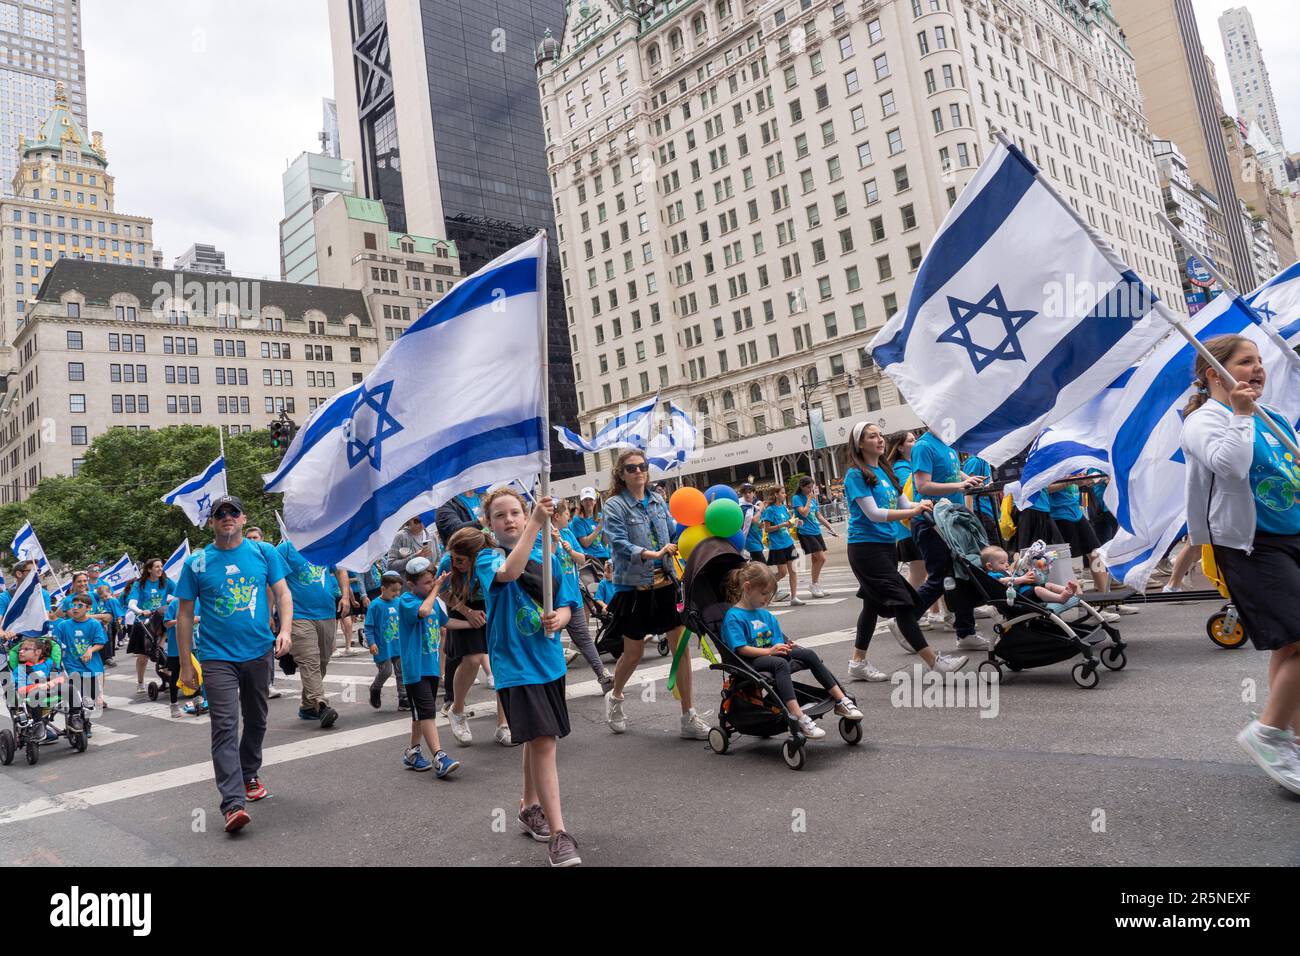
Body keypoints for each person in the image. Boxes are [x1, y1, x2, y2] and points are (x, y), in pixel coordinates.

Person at [1180, 334, 1300, 793]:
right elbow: (1229, 466)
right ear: (1215, 373)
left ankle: (1289, 739)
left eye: (1260, 362)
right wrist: (1241, 414)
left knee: (1289, 647)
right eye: (1246, 362)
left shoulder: (1277, 420)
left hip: (1292, 537)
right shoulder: (1202, 420)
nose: (1259, 369)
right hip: (1251, 547)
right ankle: (1267, 734)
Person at [475, 489, 583, 867]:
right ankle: (559, 834)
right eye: (500, 515)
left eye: (516, 512)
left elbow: (570, 603)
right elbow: (509, 573)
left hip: (549, 661)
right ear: (489, 524)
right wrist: (537, 523)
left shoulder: (550, 556)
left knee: (538, 739)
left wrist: (561, 619)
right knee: (544, 741)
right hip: (515, 665)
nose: (509, 519)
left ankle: (528, 806)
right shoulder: (489, 557)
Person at [176, 495, 293, 835]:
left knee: (257, 719)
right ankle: (232, 804)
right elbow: (184, 615)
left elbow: (283, 593)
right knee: (225, 726)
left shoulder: (264, 552)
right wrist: (186, 664)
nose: (227, 517)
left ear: (243, 519)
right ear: (211, 522)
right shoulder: (196, 563)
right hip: (216, 658)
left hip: (258, 651)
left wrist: (284, 629)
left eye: (233, 512)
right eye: (219, 513)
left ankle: (249, 771)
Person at [843, 422, 969, 678]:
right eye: (872, 436)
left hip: (886, 547)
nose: (879, 440)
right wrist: (912, 511)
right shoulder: (856, 474)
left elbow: (904, 502)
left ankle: (857, 662)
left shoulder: (885, 472)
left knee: (871, 605)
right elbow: (874, 514)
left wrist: (921, 504)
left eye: (880, 435)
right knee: (902, 603)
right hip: (865, 549)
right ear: (859, 444)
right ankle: (935, 663)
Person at [601, 449, 711, 740]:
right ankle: (615, 696)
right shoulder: (614, 505)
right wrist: (653, 553)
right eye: (632, 468)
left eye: (643, 466)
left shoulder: (658, 500)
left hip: (667, 585)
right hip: (636, 588)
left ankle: (689, 715)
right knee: (633, 654)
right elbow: (620, 544)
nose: (639, 471)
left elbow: (674, 535)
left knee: (681, 649)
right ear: (621, 474)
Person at [721, 562, 863, 739]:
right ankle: (798, 716)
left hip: (771, 652)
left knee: (808, 654)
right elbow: (741, 649)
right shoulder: (734, 617)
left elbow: (777, 638)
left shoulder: (765, 614)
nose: (767, 599)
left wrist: (785, 646)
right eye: (764, 594)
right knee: (780, 664)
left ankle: (841, 700)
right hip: (752, 659)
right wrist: (770, 652)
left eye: (770, 595)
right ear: (748, 587)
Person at [909, 429, 990, 652]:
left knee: (962, 574)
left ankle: (966, 633)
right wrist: (959, 486)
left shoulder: (948, 445)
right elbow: (922, 486)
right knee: (941, 577)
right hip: (931, 519)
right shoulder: (924, 446)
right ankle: (905, 618)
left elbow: (953, 473)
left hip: (951, 519)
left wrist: (969, 480)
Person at [440, 527, 514, 747]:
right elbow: (442, 590)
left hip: (489, 604)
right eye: (453, 558)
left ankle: (504, 725)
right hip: (460, 604)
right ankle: (457, 710)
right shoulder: (447, 562)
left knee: (501, 660)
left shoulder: (491, 559)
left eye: (460, 560)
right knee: (472, 659)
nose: (454, 563)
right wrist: (466, 612)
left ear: (476, 557)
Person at [395, 558, 461, 778]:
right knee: (426, 712)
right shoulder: (407, 600)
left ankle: (412, 752)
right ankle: (439, 757)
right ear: (411, 585)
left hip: (431, 667)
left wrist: (473, 623)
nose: (431, 585)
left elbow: (446, 622)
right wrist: (438, 588)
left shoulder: (431, 601)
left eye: (432, 581)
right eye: (426, 583)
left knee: (419, 714)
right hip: (415, 669)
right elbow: (423, 611)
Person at [276, 539, 348, 729]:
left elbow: (340, 569)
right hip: (298, 615)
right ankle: (321, 704)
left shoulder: (324, 541)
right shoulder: (285, 549)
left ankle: (308, 706)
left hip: (326, 612)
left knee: (323, 659)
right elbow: (273, 582)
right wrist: (269, 613)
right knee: (310, 660)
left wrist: (346, 596)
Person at [552, 498, 615, 691]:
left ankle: (603, 677)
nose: (568, 517)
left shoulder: (568, 533)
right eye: (565, 514)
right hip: (553, 600)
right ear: (556, 516)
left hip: (573, 597)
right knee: (550, 643)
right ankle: (553, 687)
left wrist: (571, 551)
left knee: (585, 640)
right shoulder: (541, 536)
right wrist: (554, 543)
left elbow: (581, 560)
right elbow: (543, 563)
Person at [51, 594, 106, 736]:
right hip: (72, 666)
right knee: (78, 695)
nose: (75, 608)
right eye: (73, 605)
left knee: (90, 697)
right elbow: (54, 644)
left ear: (88, 608)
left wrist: (90, 650)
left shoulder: (94, 624)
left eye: (79, 606)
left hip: (92, 667)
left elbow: (100, 642)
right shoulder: (63, 625)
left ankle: (86, 720)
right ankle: (79, 722)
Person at [126, 559, 175, 696]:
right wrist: (140, 611)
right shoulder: (139, 584)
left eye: (161, 566)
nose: (160, 569)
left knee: (165, 651)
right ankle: (140, 682)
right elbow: (131, 603)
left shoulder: (166, 582)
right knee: (143, 656)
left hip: (162, 620)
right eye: (157, 567)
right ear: (149, 569)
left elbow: (180, 593)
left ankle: (168, 677)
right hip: (145, 622)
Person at [243, 527, 282, 700]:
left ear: (262, 538)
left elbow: (273, 588)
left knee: (266, 646)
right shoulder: (241, 557)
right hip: (244, 612)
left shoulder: (268, 556)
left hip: (264, 611)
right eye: (249, 537)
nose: (252, 540)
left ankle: (268, 684)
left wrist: (269, 614)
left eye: (255, 537)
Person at [365, 571, 409, 711]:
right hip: (382, 646)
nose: (397, 593)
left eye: (399, 590)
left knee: (401, 670)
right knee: (385, 671)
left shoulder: (399, 602)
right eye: (393, 590)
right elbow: (369, 627)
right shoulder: (375, 605)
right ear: (383, 588)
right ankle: (375, 689)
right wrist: (371, 643)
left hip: (398, 644)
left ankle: (403, 698)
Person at [981, 546, 1081, 605]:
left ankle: (1067, 591)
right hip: (1020, 597)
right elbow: (1004, 581)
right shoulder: (992, 575)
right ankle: (1061, 598)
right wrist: (1022, 579)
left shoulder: (1005, 571)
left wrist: (1026, 576)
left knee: (1048, 585)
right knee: (1038, 589)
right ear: (989, 566)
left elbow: (1014, 578)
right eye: (1002, 562)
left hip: (1026, 590)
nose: (1007, 564)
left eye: (1007, 561)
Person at [791, 476, 837, 598]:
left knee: (816, 560)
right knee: (822, 558)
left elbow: (818, 515)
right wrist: (809, 499)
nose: (810, 490)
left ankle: (815, 584)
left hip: (816, 531)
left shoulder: (812, 499)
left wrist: (830, 528)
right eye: (808, 487)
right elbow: (804, 513)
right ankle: (813, 585)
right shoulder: (797, 498)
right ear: (801, 487)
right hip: (805, 532)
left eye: (812, 487)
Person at [762, 485, 805, 606]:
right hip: (777, 546)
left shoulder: (784, 508)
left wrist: (796, 522)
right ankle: (765, 589)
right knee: (782, 573)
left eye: (784, 493)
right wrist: (782, 525)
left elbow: (789, 524)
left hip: (788, 544)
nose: (785, 495)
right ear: (776, 495)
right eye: (782, 493)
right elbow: (767, 528)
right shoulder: (770, 510)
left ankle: (794, 597)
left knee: (793, 571)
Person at [570, 487, 611, 589]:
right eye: (585, 499)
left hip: (604, 556)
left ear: (595, 501)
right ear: (581, 502)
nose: (588, 502)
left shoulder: (600, 516)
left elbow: (605, 541)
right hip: (590, 560)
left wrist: (606, 527)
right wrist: (599, 527)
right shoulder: (578, 520)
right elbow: (585, 543)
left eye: (590, 499)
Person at [94, 583, 124, 671]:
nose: (104, 598)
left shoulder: (112, 600)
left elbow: (118, 612)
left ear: (110, 593)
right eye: (102, 597)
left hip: (110, 620)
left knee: (109, 638)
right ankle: (104, 658)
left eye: (105, 596)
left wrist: (119, 622)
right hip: (102, 621)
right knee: (104, 638)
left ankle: (108, 657)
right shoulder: (102, 601)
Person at [740, 484, 766, 563]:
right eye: (745, 493)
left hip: (757, 539)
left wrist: (761, 525)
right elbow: (753, 520)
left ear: (754, 493)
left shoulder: (754, 507)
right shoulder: (743, 507)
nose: (747, 494)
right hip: (749, 541)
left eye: (749, 492)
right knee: (763, 566)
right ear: (742, 494)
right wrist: (760, 509)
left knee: (754, 568)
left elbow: (757, 524)